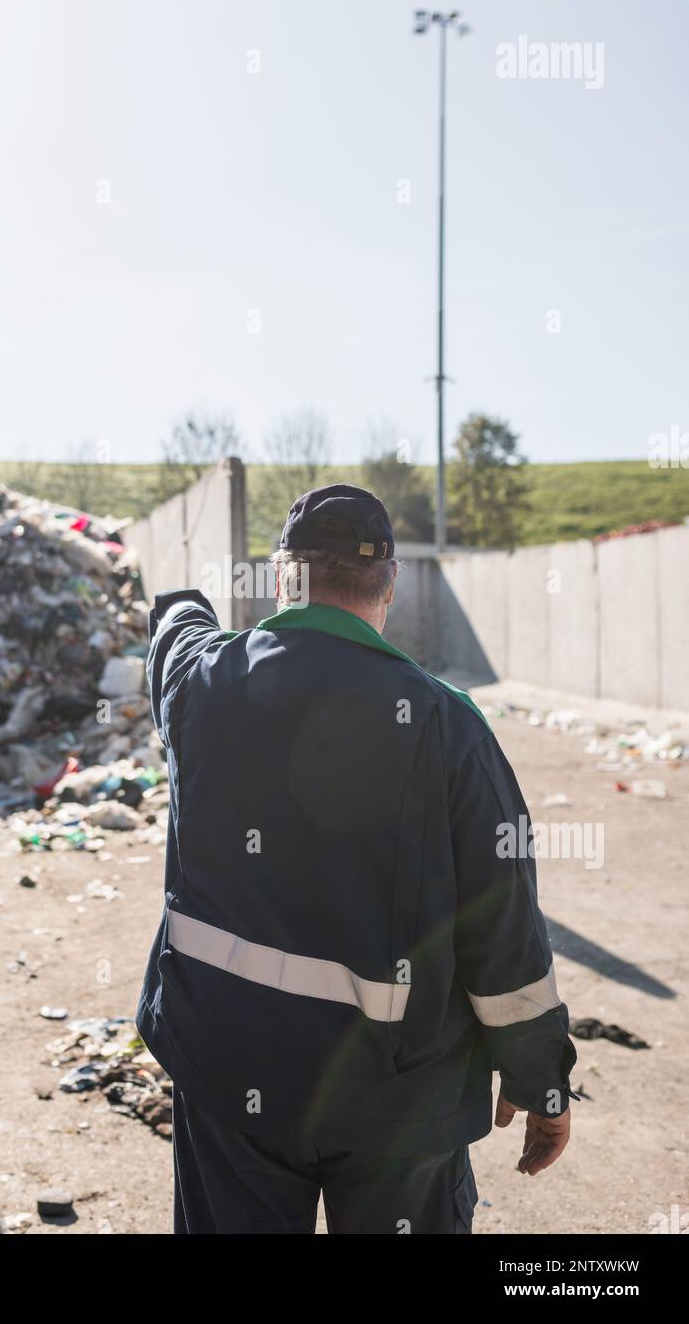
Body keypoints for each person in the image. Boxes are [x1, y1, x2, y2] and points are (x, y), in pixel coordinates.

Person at [136, 484, 577, 1234]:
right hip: (397, 1105)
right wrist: (540, 1079)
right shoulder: (445, 723)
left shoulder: (201, 685)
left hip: (228, 1067)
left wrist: (178, 599)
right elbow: (502, 931)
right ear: (390, 585)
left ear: (282, 578)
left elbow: (174, 635)